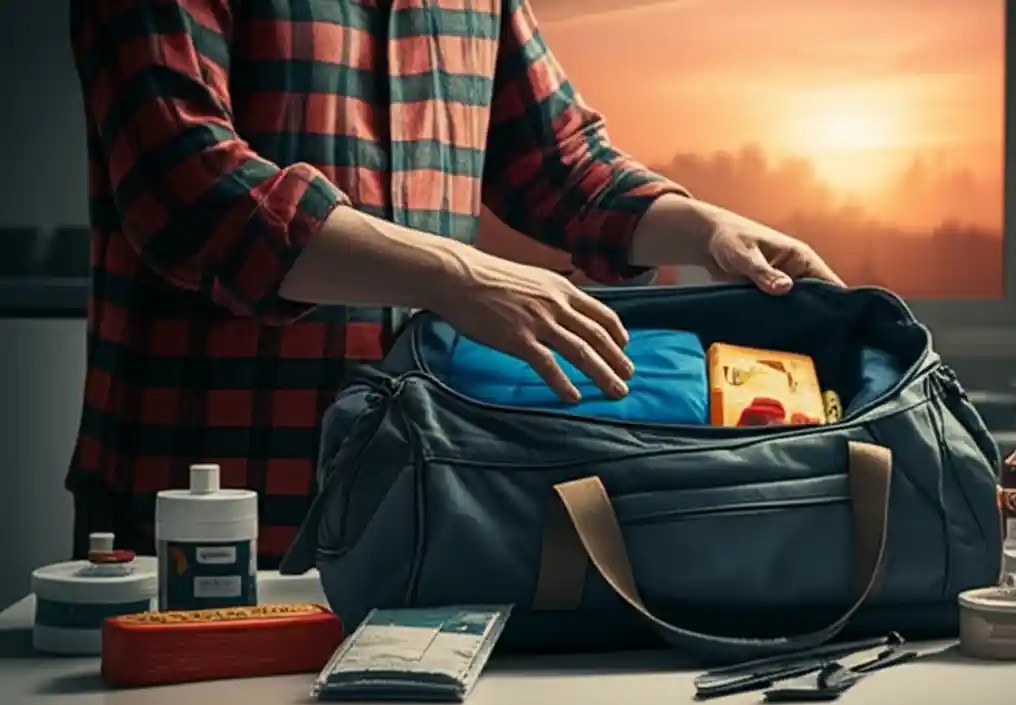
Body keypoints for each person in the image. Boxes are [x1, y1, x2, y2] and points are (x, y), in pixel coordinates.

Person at [66, 0, 844, 567]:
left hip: (424, 502)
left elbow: (559, 162)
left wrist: (704, 228)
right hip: (205, 504)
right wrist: (459, 275)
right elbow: (191, 187)